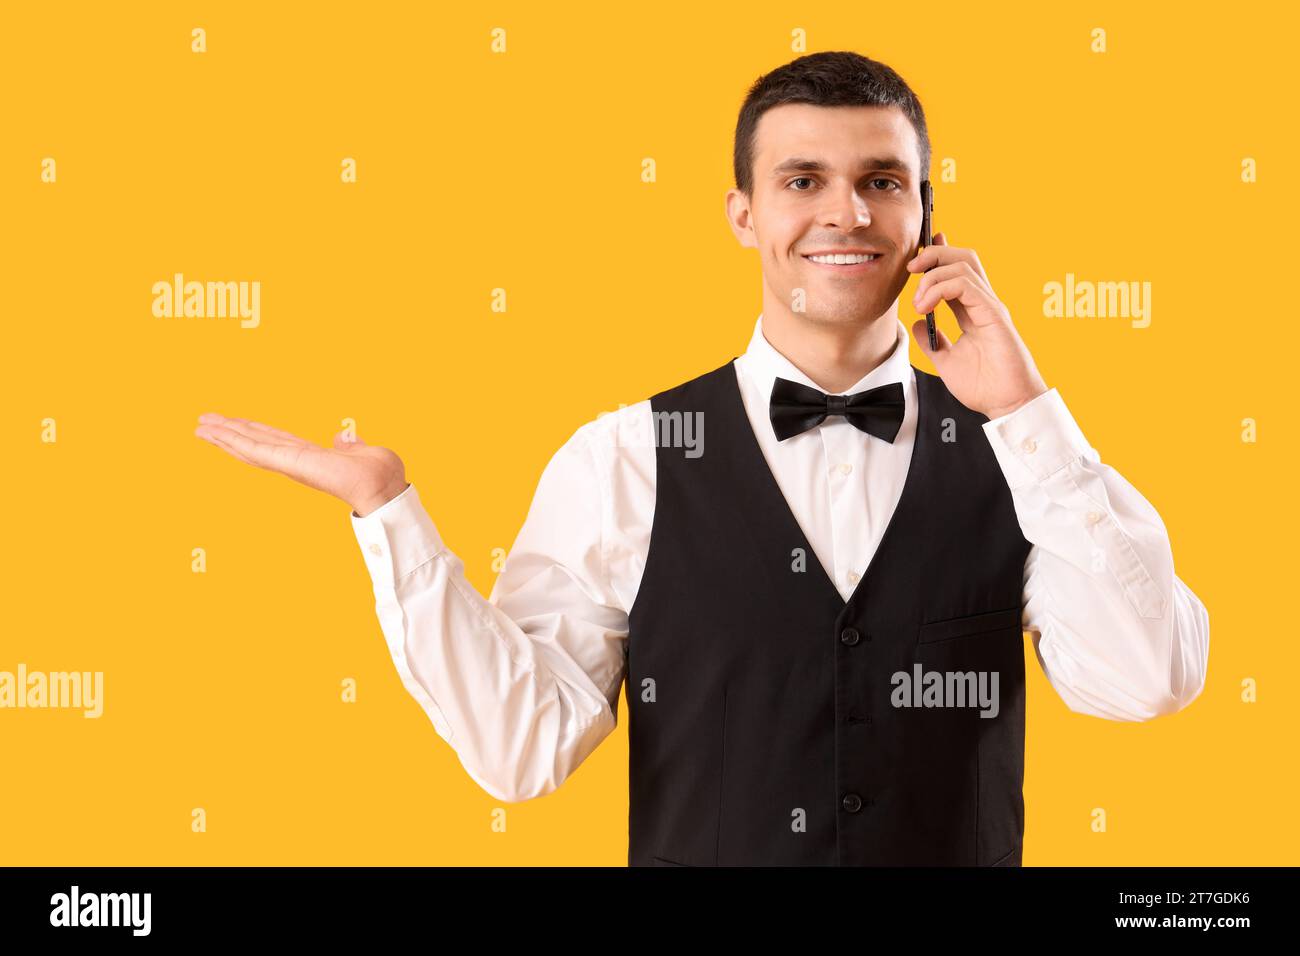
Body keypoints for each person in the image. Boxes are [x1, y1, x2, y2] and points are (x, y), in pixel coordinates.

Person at [194, 51, 1209, 866]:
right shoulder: (623, 457)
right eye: (801, 180)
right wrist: (389, 513)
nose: (845, 214)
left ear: (925, 216)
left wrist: (1027, 410)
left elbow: (1145, 676)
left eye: (880, 182)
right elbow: (522, 749)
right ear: (744, 214)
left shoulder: (1022, 459)